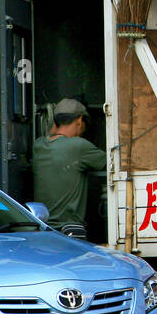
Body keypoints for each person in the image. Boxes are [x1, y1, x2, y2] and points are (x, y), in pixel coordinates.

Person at [32, 97, 105, 239]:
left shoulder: (38, 145)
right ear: (79, 120)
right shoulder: (79, 146)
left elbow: (52, 133)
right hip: (70, 231)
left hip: (43, 229)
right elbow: (111, 161)